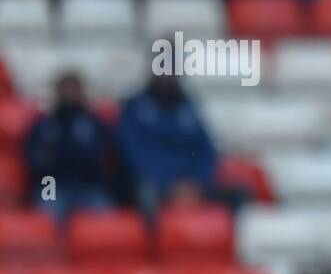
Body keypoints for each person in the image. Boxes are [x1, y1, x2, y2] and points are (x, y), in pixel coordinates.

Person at [116, 72, 220, 215]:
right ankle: (152, 237)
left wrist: (196, 181)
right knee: (146, 195)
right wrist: (169, 183)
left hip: (189, 183)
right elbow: (131, 152)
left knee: (236, 194)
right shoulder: (135, 107)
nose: (167, 76)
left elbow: (206, 151)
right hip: (154, 183)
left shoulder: (188, 108)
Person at [23, 73, 118, 220]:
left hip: (89, 184)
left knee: (106, 220)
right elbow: (36, 160)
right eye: (65, 89)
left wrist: (60, 155)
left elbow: (102, 158)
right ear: (57, 92)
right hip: (53, 184)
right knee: (46, 218)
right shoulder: (44, 124)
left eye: (73, 88)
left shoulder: (94, 123)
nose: (69, 93)